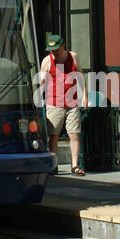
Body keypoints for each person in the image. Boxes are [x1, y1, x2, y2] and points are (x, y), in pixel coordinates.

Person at [39, 33, 87, 174]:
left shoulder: (73, 57)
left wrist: (84, 95)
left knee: (74, 133)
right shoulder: (47, 61)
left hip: (72, 102)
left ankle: (75, 165)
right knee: (54, 135)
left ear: (63, 46)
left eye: (56, 50)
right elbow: (41, 83)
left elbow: (80, 76)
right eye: (51, 50)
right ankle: (53, 165)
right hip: (54, 102)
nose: (53, 53)